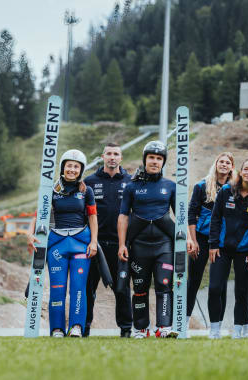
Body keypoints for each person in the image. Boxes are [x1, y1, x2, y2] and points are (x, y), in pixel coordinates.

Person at [31, 149, 97, 337]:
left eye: (76, 167)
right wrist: (30, 234)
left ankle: (76, 326)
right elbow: (39, 215)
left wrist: (93, 242)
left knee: (78, 287)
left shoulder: (87, 191)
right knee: (57, 288)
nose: (72, 169)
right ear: (63, 167)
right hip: (57, 244)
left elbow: (93, 218)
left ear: (81, 169)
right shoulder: (51, 190)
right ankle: (57, 328)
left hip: (80, 243)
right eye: (69, 165)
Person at [118, 141, 177, 338]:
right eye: (151, 157)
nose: (154, 161)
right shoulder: (131, 186)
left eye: (159, 158)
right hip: (139, 246)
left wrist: (188, 239)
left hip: (164, 246)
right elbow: (123, 216)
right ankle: (141, 328)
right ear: (145, 160)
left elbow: (182, 217)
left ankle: (164, 328)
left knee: (164, 284)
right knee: (140, 287)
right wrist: (122, 244)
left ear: (163, 162)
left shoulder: (171, 186)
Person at [83, 142, 132, 337]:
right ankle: (84, 327)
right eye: (109, 153)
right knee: (88, 289)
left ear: (121, 158)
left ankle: (126, 329)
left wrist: (129, 242)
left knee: (122, 289)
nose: (112, 157)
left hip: (121, 245)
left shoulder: (130, 181)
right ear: (103, 156)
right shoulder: (89, 181)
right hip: (95, 245)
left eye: (116, 154)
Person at [207, 158, 248, 339]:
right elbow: (215, 219)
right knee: (214, 288)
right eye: (246, 168)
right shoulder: (226, 191)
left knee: (242, 292)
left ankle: (239, 329)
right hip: (221, 249)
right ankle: (214, 329)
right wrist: (213, 244)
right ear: (240, 172)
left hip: (245, 252)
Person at [186, 151, 235, 335]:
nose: (223, 164)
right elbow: (192, 214)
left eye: (227, 162)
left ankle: (217, 326)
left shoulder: (234, 188)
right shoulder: (202, 185)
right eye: (221, 161)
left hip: (222, 242)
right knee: (193, 281)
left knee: (219, 284)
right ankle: (183, 323)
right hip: (202, 238)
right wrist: (193, 240)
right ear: (216, 164)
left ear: (231, 167)